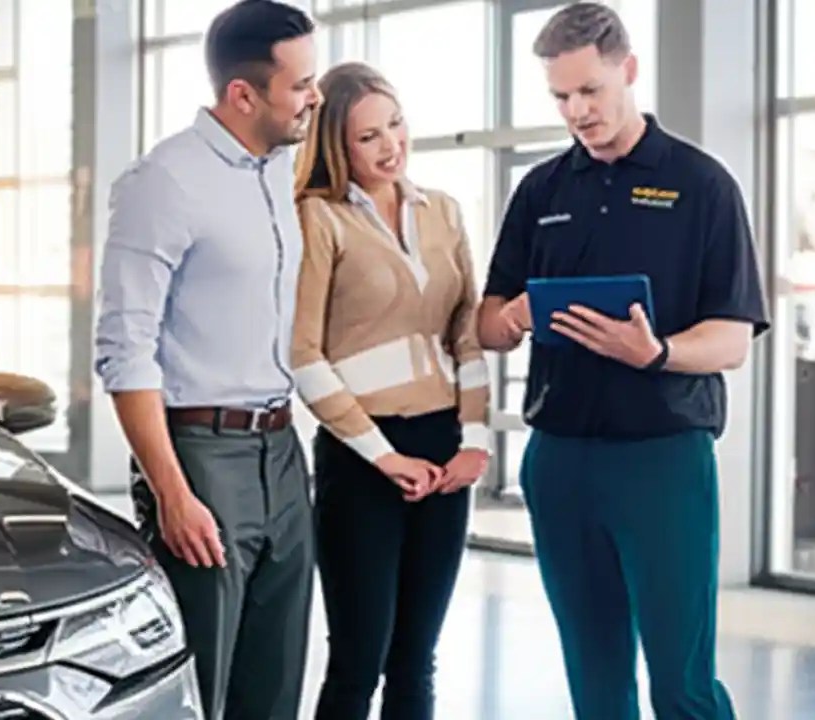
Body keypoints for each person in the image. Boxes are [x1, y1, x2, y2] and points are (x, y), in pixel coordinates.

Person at [477, 4, 769, 720]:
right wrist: (509, 319)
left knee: (681, 681)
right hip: (559, 459)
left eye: (590, 91)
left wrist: (657, 352)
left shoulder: (702, 186)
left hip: (662, 458)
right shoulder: (541, 190)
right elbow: (486, 321)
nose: (577, 111)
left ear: (628, 72)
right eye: (561, 97)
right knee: (594, 674)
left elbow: (731, 339)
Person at [92, 1, 320, 718]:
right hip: (201, 457)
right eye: (302, 84)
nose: (315, 96)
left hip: (283, 452)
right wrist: (172, 491)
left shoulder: (277, 171)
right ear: (242, 95)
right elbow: (124, 350)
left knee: (275, 687)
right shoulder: (163, 182)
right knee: (200, 690)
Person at [291, 61, 492, 720]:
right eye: (368, 136)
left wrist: (476, 443)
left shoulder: (445, 213)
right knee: (358, 659)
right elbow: (304, 354)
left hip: (443, 449)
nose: (390, 145)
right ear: (336, 146)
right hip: (362, 459)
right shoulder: (317, 219)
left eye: (396, 125)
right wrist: (384, 457)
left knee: (417, 660)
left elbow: (468, 332)